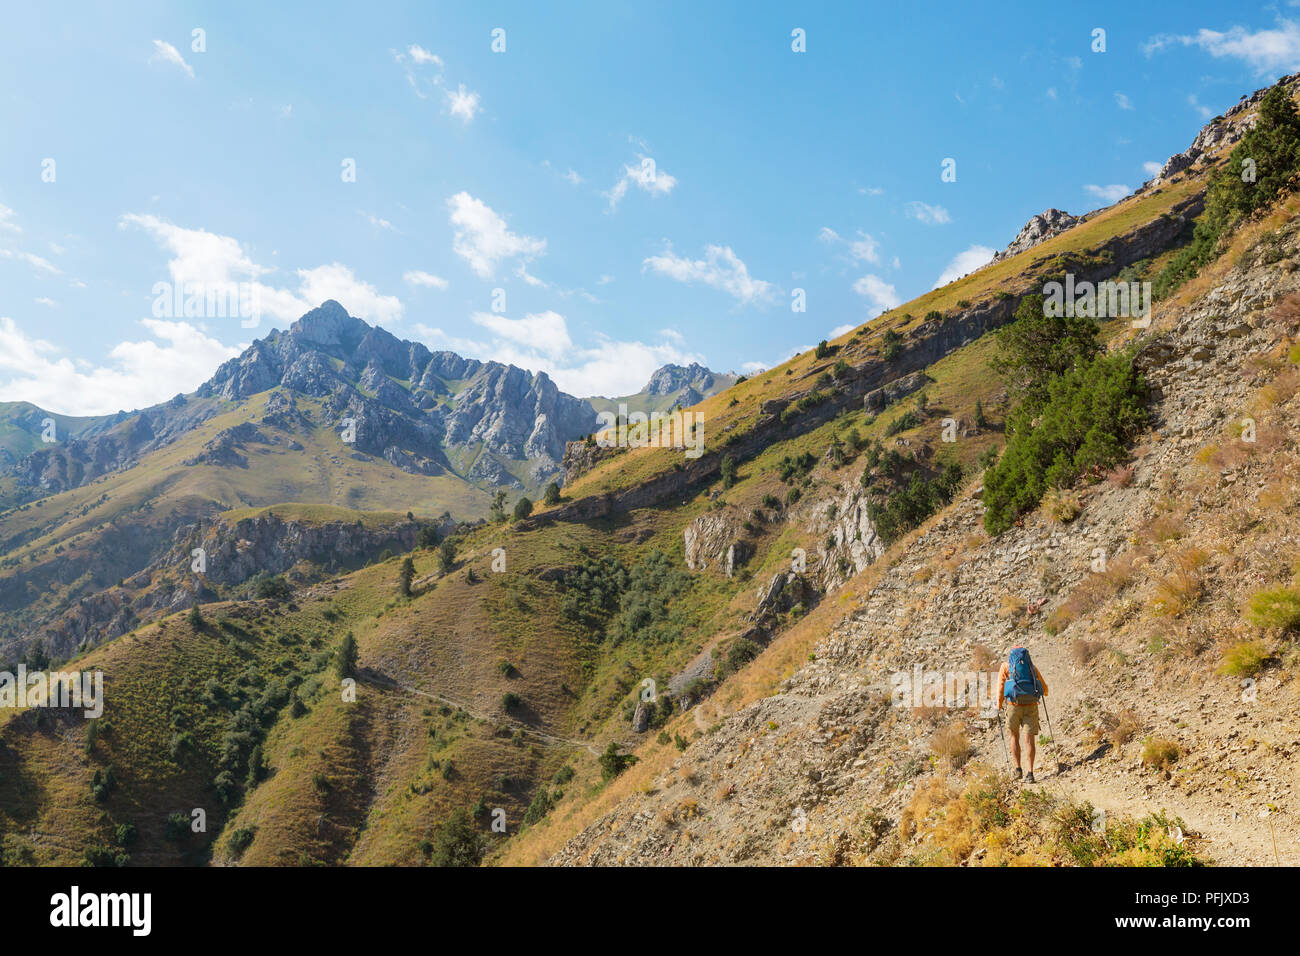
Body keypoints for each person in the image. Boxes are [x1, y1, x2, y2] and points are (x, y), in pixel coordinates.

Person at [998, 647, 1048, 783]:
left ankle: (1018, 769)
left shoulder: (1005, 667)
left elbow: (1001, 688)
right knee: (1029, 739)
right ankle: (1030, 773)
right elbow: (1044, 688)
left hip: (1013, 706)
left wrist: (998, 705)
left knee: (1014, 736)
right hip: (1031, 705)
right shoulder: (1031, 667)